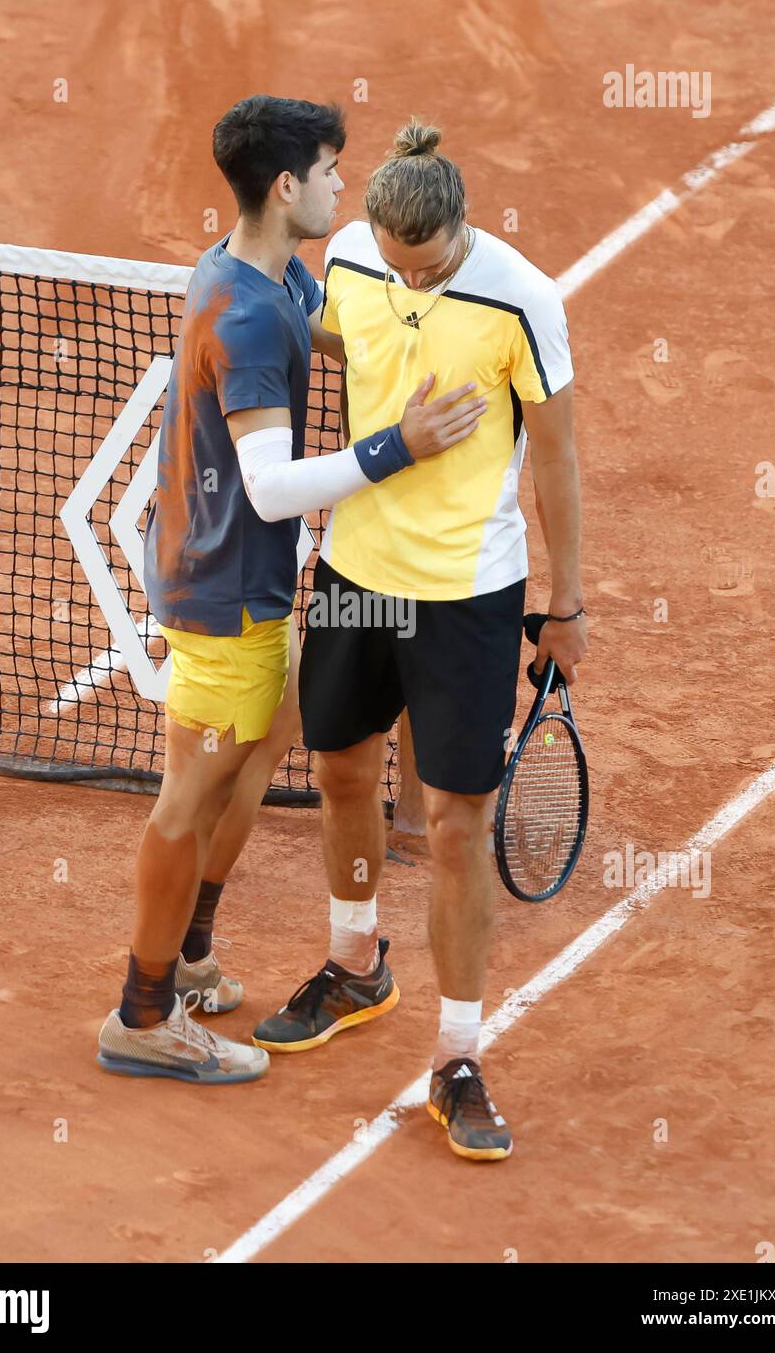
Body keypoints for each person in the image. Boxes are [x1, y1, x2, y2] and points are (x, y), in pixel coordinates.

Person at [97, 97, 487, 1084]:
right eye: (328, 172)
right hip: (226, 594)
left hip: (227, 571)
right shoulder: (249, 316)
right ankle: (143, 1013)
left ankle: (187, 953)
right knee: (189, 796)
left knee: (266, 742)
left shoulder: (252, 273)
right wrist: (404, 444)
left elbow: (343, 334)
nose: (338, 189)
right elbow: (271, 484)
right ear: (286, 185)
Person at [253, 120, 587, 1158]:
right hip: (356, 574)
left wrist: (566, 604)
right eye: (399, 265)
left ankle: (457, 1054)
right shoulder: (351, 254)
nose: (415, 279)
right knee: (342, 774)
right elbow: (354, 336)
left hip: (465, 596)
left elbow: (556, 461)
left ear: (460, 226)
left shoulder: (522, 297)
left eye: (430, 264)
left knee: (452, 824)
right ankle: (356, 964)